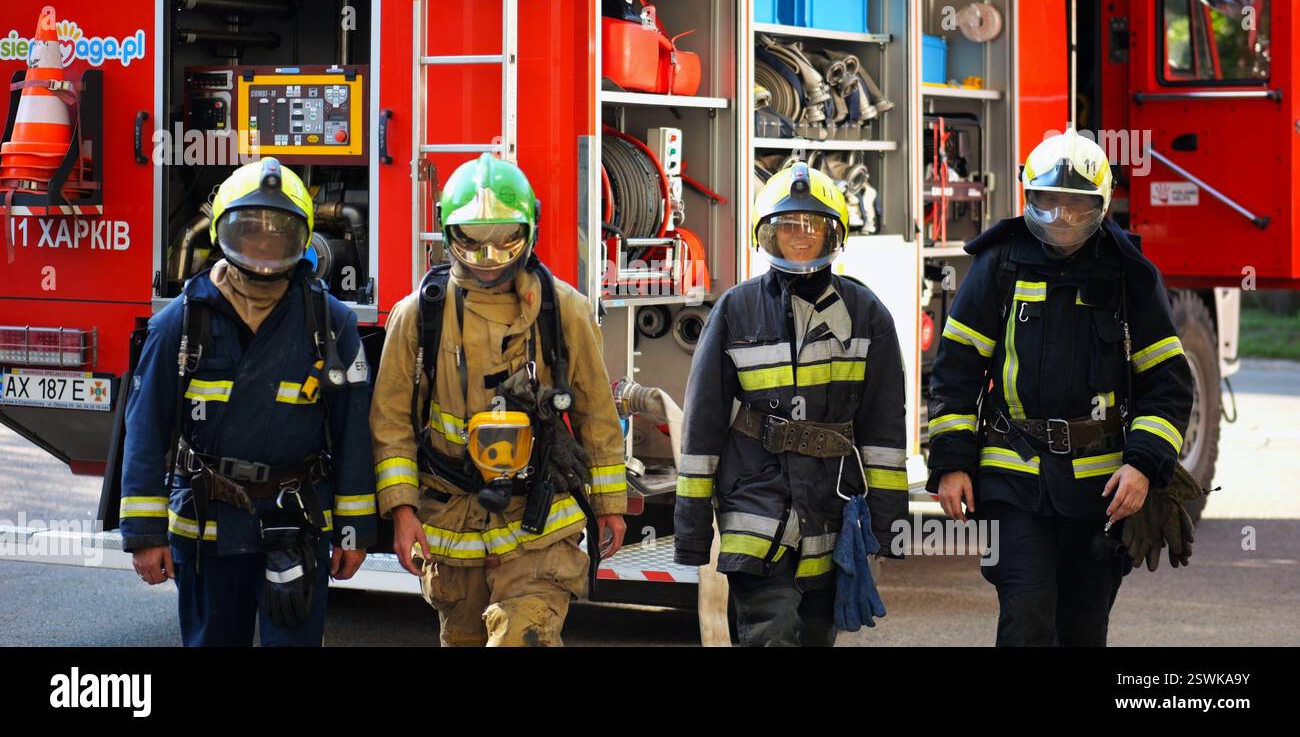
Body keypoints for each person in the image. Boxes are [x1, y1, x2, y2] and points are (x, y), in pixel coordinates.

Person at [926, 129, 1194, 646]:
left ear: (1101, 205)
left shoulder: (1129, 275)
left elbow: (1167, 384)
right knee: (1026, 617)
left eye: (1076, 206)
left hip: (1102, 489)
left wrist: (1142, 465)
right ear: (1029, 197)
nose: (1061, 219)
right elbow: (955, 370)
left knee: (1083, 629)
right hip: (1012, 474)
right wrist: (952, 462)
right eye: (1047, 204)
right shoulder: (999, 263)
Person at [369, 153, 627, 647]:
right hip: (451, 521)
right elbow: (390, 425)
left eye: (504, 239)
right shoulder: (417, 315)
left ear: (530, 231)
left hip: (541, 518)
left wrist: (609, 505)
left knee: (521, 638)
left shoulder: (564, 310)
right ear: (448, 234)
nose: (488, 257)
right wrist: (403, 513)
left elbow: (597, 414)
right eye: (472, 240)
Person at [120, 157, 376, 646]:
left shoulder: (331, 323)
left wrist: (355, 532)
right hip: (207, 530)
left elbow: (354, 435)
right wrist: (146, 534)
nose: (262, 245)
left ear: (300, 239)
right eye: (250, 230)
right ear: (223, 232)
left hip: (296, 527)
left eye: (276, 232)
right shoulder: (180, 323)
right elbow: (145, 430)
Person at [673, 161, 908, 647]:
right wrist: (691, 533)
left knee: (817, 636)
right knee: (771, 631)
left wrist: (889, 527)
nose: (799, 237)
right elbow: (701, 428)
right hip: (754, 507)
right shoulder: (735, 311)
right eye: (786, 227)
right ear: (766, 236)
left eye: (811, 227)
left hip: (830, 508)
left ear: (833, 235)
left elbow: (884, 434)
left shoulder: (867, 315)